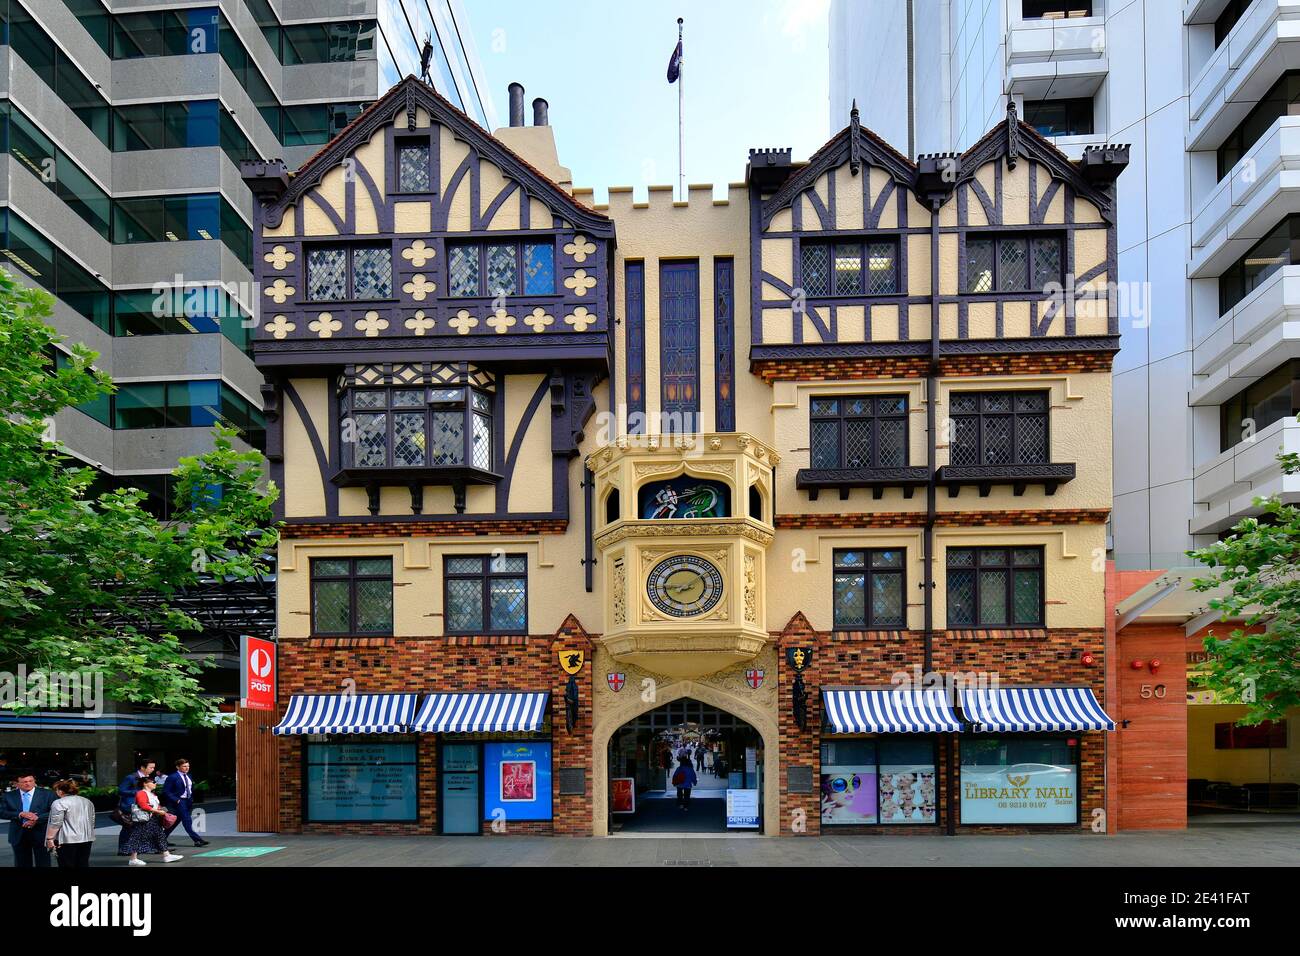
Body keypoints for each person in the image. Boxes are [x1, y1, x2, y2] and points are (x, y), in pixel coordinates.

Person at [121, 776, 183, 866]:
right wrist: (158, 811)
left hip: (153, 819)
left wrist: (163, 811)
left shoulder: (152, 794)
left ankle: (166, 855)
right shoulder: (141, 793)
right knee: (138, 837)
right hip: (144, 820)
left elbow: (155, 805)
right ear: (145, 784)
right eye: (153, 782)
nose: (155, 784)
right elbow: (144, 806)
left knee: (159, 836)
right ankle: (133, 859)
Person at [2, 773, 54, 867]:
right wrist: (20, 814)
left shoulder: (48, 794)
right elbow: (2, 812)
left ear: (34, 781)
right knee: (22, 863)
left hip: (40, 834)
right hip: (18, 835)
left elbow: (55, 812)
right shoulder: (9, 796)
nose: (28, 784)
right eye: (24, 782)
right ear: (17, 783)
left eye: (31, 781)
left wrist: (37, 819)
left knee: (43, 863)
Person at [45, 780, 96, 869]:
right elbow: (92, 821)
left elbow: (56, 823)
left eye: (56, 790)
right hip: (86, 838)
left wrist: (49, 838)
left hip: (66, 840)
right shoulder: (87, 801)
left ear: (60, 791)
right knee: (83, 863)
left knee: (66, 864)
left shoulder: (59, 802)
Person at [163, 758, 209, 847]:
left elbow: (190, 789)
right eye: (184, 766)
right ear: (178, 767)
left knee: (176, 821)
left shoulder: (189, 776)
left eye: (188, 766)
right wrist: (176, 799)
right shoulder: (172, 777)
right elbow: (166, 791)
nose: (187, 768)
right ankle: (197, 840)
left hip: (187, 801)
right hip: (179, 801)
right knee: (187, 820)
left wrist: (190, 799)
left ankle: (162, 838)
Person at [117, 758, 156, 855]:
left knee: (141, 827)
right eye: (151, 767)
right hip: (130, 806)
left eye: (153, 767)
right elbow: (121, 790)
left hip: (143, 806)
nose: (153, 769)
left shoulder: (149, 778)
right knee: (128, 827)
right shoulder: (131, 777)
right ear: (142, 767)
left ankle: (140, 848)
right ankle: (122, 850)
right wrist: (138, 792)